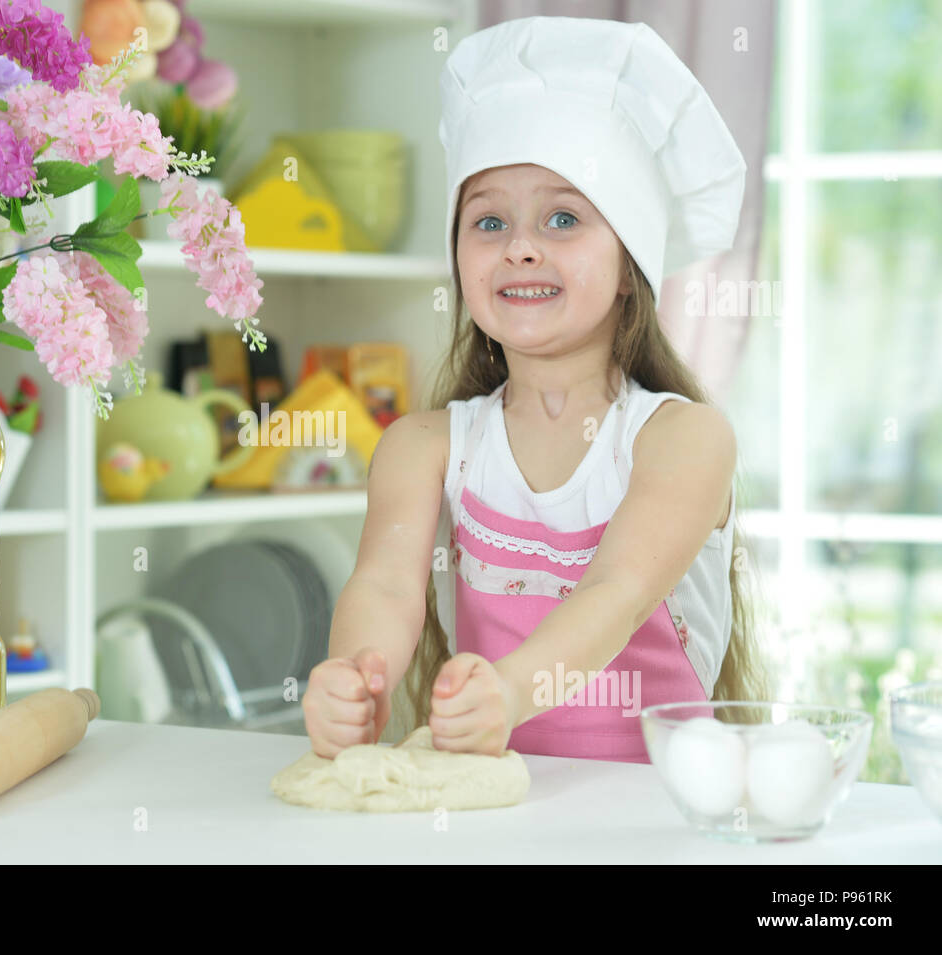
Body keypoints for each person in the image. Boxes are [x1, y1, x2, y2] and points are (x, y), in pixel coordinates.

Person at [304, 16, 771, 762]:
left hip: (657, 812)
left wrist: (513, 690)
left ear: (630, 267)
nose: (520, 246)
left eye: (563, 217)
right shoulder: (423, 446)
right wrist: (357, 673)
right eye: (489, 220)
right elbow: (387, 585)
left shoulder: (683, 440)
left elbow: (614, 593)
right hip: (497, 809)